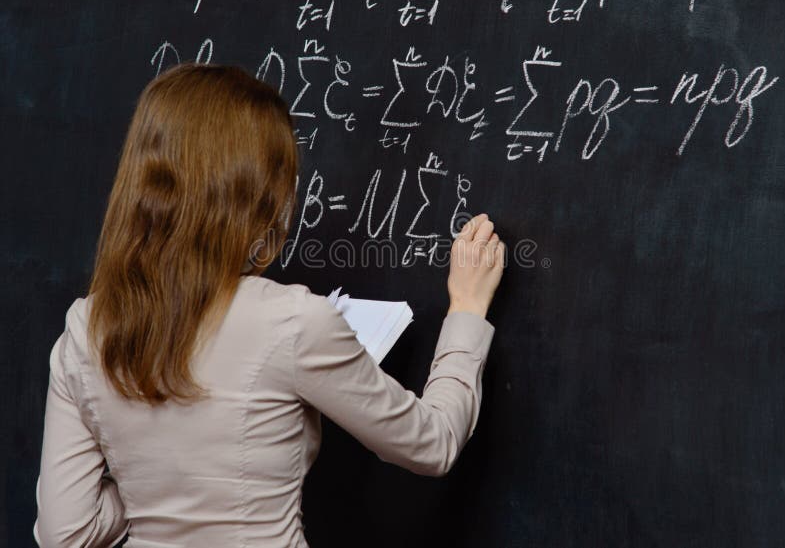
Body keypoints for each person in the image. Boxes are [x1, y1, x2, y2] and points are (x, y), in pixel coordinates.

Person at [33, 63, 505, 547]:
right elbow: (433, 444)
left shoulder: (85, 327)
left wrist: (148, 488)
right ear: (254, 190)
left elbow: (65, 534)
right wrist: (467, 309)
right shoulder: (293, 321)